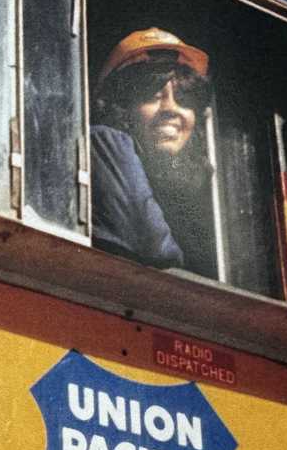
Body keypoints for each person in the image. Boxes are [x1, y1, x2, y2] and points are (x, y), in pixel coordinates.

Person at [90, 28, 219, 277]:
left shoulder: (198, 189)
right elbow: (156, 251)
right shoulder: (105, 142)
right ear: (122, 107)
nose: (171, 109)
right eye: (152, 95)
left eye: (184, 98)